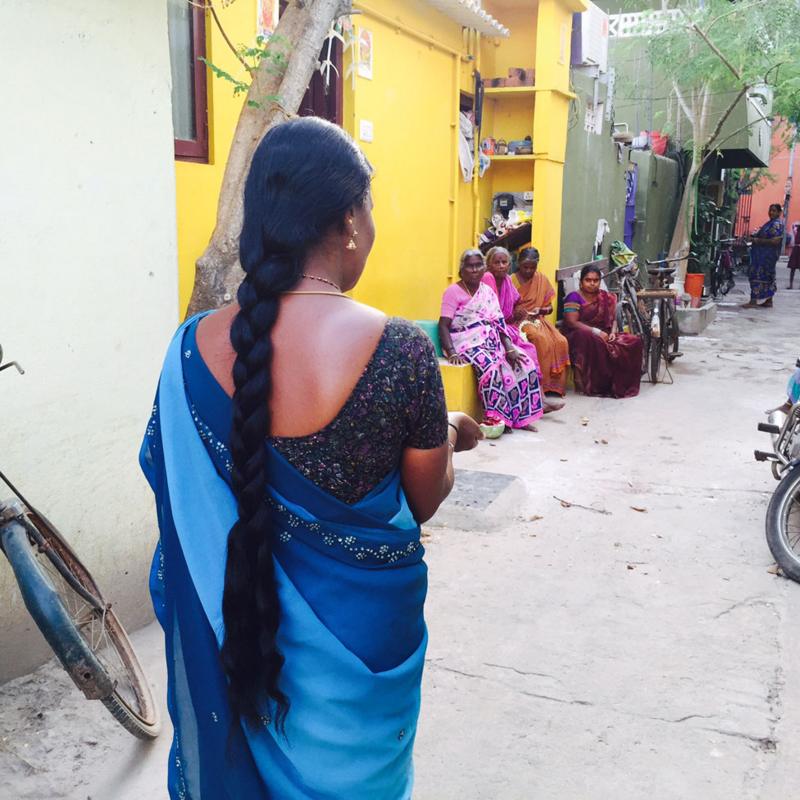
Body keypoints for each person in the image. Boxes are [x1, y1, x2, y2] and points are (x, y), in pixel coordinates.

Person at [140, 117, 482, 800]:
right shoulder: (400, 349)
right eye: (372, 205)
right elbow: (425, 495)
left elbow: (178, 482)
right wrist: (450, 431)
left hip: (233, 631)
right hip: (366, 640)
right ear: (349, 222)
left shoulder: (187, 351)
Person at [438, 248, 544, 431]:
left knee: (524, 363)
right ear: (461, 269)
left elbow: (498, 322)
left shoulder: (487, 291)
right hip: (466, 343)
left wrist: (509, 347)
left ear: (484, 268)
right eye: (469, 266)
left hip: (491, 340)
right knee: (492, 370)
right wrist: (452, 352)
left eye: (478, 265)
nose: (474, 270)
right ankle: (497, 419)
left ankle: (521, 419)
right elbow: (443, 325)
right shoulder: (453, 292)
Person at [482, 246, 564, 412]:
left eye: (504, 262)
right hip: (489, 329)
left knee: (532, 349)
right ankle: (533, 402)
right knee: (526, 349)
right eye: (496, 262)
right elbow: (492, 313)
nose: (501, 265)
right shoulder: (488, 278)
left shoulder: (506, 281)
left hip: (508, 326)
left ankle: (540, 398)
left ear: (509, 264)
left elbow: (516, 302)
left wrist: (524, 312)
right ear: (489, 264)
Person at [562, 264, 643, 398]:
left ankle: (622, 383)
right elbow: (572, 322)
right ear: (581, 282)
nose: (592, 284)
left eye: (596, 280)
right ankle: (596, 385)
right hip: (580, 334)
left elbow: (613, 319)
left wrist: (612, 332)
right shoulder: (574, 297)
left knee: (633, 341)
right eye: (588, 280)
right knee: (594, 340)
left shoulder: (606, 297)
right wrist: (596, 332)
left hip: (605, 333)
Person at [511, 247, 571, 396]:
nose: (528, 270)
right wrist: (518, 313)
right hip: (518, 322)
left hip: (538, 319)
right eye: (525, 266)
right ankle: (540, 388)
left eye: (533, 267)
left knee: (561, 340)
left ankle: (555, 386)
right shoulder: (511, 280)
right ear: (518, 263)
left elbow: (549, 307)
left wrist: (541, 310)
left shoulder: (541, 279)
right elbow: (506, 307)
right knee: (540, 339)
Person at [745, 203, 784, 308]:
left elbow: (775, 241)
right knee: (768, 276)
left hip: (766, 256)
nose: (771, 212)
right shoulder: (770, 223)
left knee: (757, 274)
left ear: (779, 212)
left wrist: (757, 240)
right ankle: (769, 301)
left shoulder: (777, 224)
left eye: (774, 210)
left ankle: (753, 300)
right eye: (770, 210)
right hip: (761, 255)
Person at [787, 221, 800, 289]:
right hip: (795, 249)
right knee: (792, 268)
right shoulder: (796, 228)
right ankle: (791, 285)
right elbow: (794, 226)